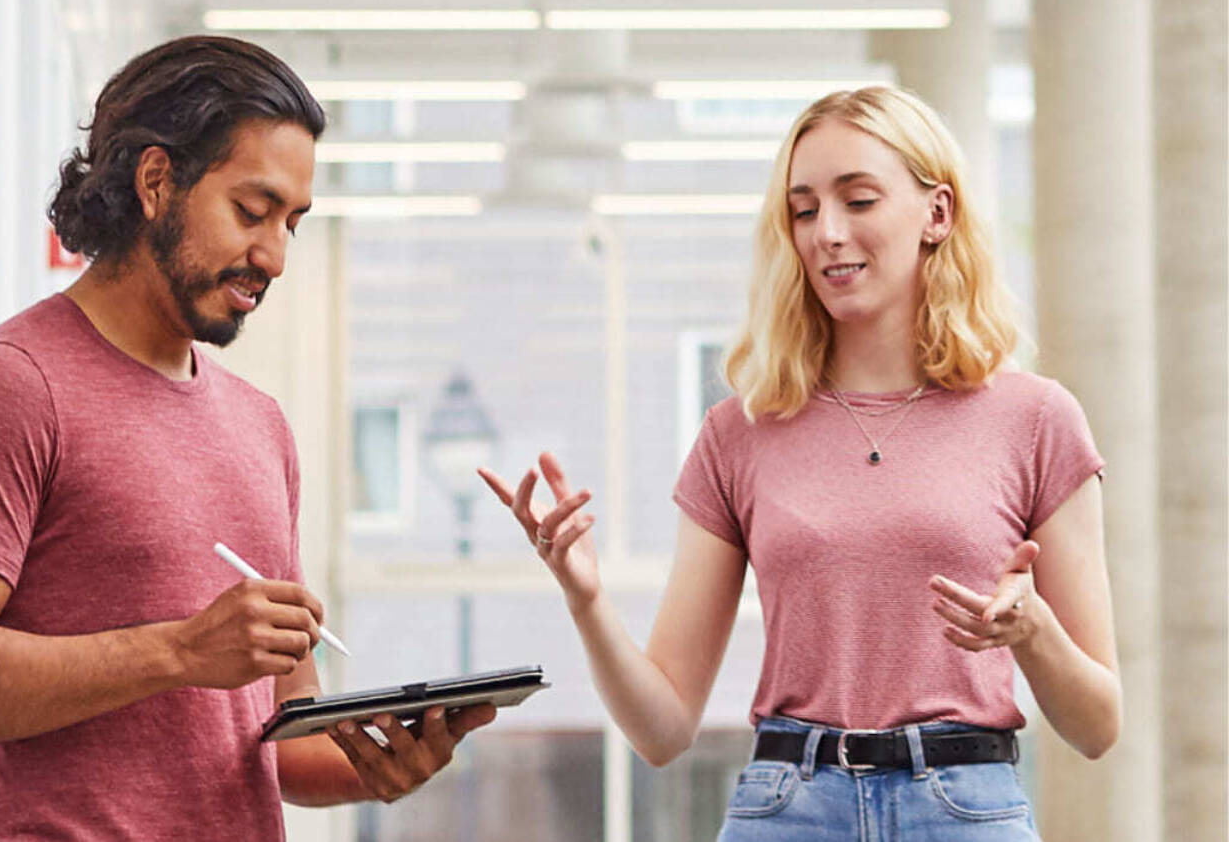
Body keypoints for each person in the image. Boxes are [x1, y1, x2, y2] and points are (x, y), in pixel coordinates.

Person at [0, 35, 494, 841]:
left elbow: (270, 736)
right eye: (251, 210)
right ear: (157, 181)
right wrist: (177, 652)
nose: (272, 255)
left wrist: (375, 767)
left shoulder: (259, 426)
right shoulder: (9, 387)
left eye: (292, 224)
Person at [479, 86, 1118, 839]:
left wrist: (1034, 632)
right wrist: (585, 599)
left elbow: (1096, 726)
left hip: (965, 810)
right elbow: (662, 730)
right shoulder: (740, 432)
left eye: (859, 200)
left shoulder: (1035, 420)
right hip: (789, 810)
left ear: (936, 215)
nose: (827, 234)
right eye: (805, 209)